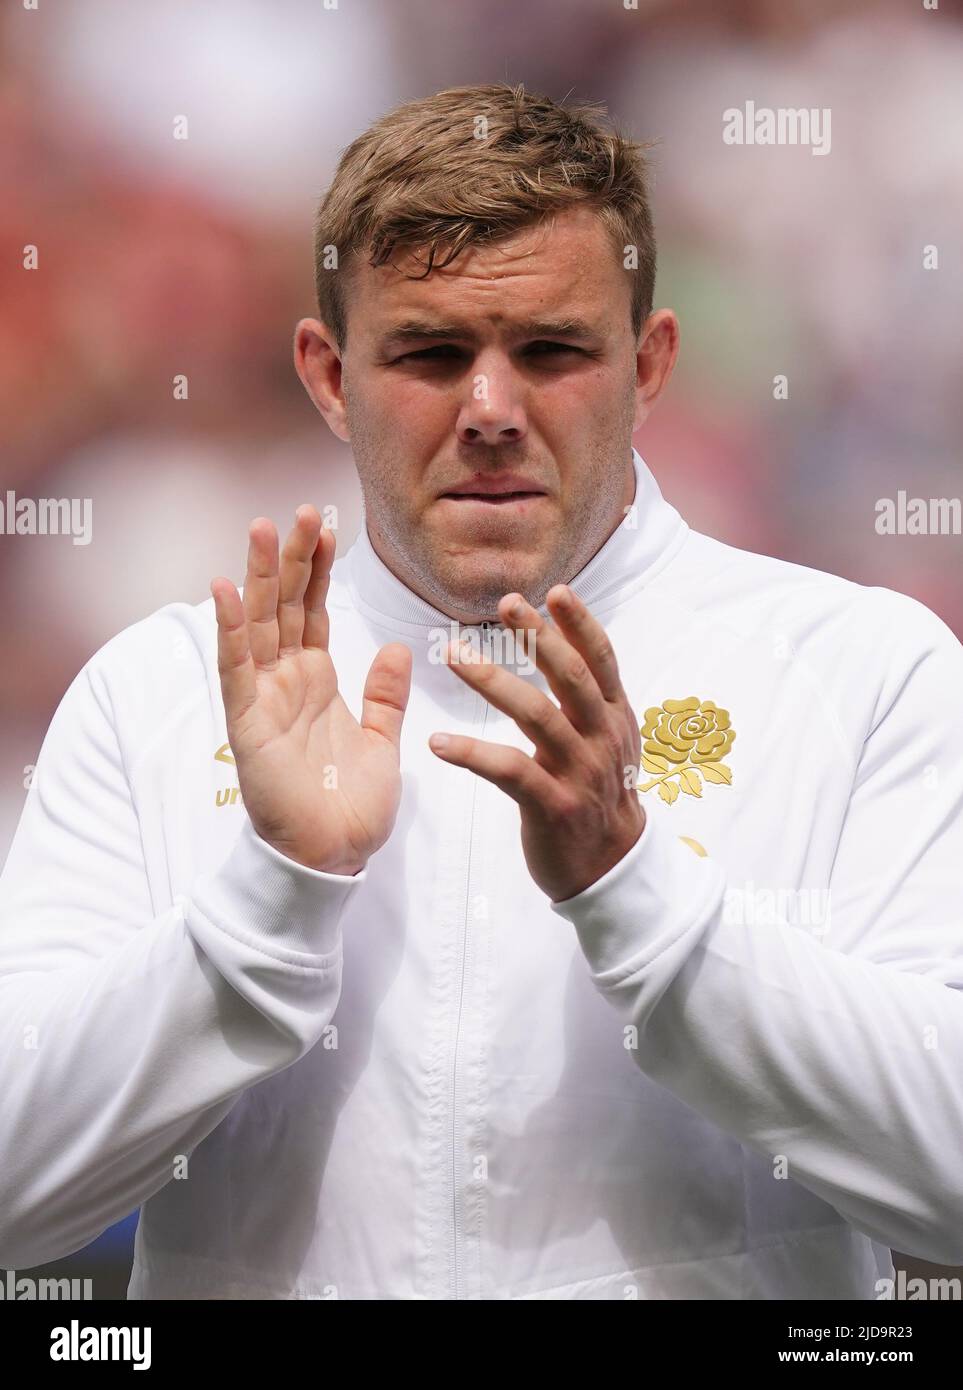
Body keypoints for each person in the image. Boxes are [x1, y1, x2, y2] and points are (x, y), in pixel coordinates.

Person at [2, 81, 962, 1301]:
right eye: (431, 353)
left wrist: (643, 899)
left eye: (552, 351)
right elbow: (15, 1200)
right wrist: (271, 895)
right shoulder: (159, 691)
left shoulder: (864, 669)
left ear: (650, 362)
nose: (492, 411)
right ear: (330, 374)